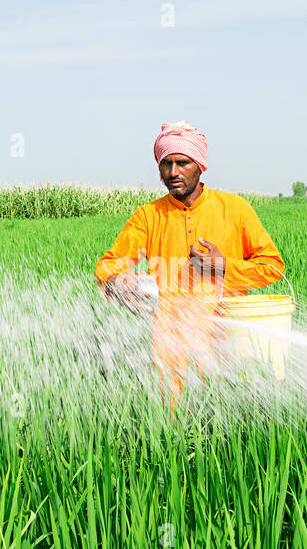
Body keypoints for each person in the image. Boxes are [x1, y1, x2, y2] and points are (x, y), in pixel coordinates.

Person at [95, 120, 285, 400]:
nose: (173, 172)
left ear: (200, 165)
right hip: (169, 341)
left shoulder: (235, 209)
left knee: (231, 417)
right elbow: (110, 264)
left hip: (227, 334)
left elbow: (272, 267)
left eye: (182, 162)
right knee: (171, 422)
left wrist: (224, 267)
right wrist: (116, 280)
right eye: (165, 164)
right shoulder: (148, 217)